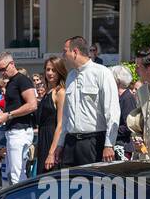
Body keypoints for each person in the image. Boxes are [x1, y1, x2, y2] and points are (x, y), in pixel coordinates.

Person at [56, 37, 118, 166]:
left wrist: (109, 144)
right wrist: (61, 143)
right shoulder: (71, 76)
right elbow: (66, 115)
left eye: (65, 51)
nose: (63, 56)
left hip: (93, 142)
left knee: (93, 183)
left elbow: (112, 111)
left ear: (75, 52)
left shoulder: (102, 73)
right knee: (69, 183)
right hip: (71, 143)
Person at [0, 52, 38, 182]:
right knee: (15, 173)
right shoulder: (12, 82)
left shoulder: (22, 80)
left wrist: (9, 115)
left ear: (12, 64)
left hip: (19, 131)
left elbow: (32, 105)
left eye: (3, 69)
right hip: (14, 131)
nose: (2, 72)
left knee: (16, 175)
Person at [36, 56, 67, 173]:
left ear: (60, 71)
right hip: (43, 139)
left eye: (54, 70)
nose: (50, 73)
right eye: (48, 69)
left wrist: (51, 153)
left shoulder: (60, 92)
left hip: (52, 141)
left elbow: (60, 124)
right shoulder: (47, 93)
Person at [113, 65, 138, 158]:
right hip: (118, 144)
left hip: (123, 147)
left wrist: (111, 131)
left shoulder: (127, 98)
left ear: (117, 81)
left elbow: (128, 125)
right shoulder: (119, 97)